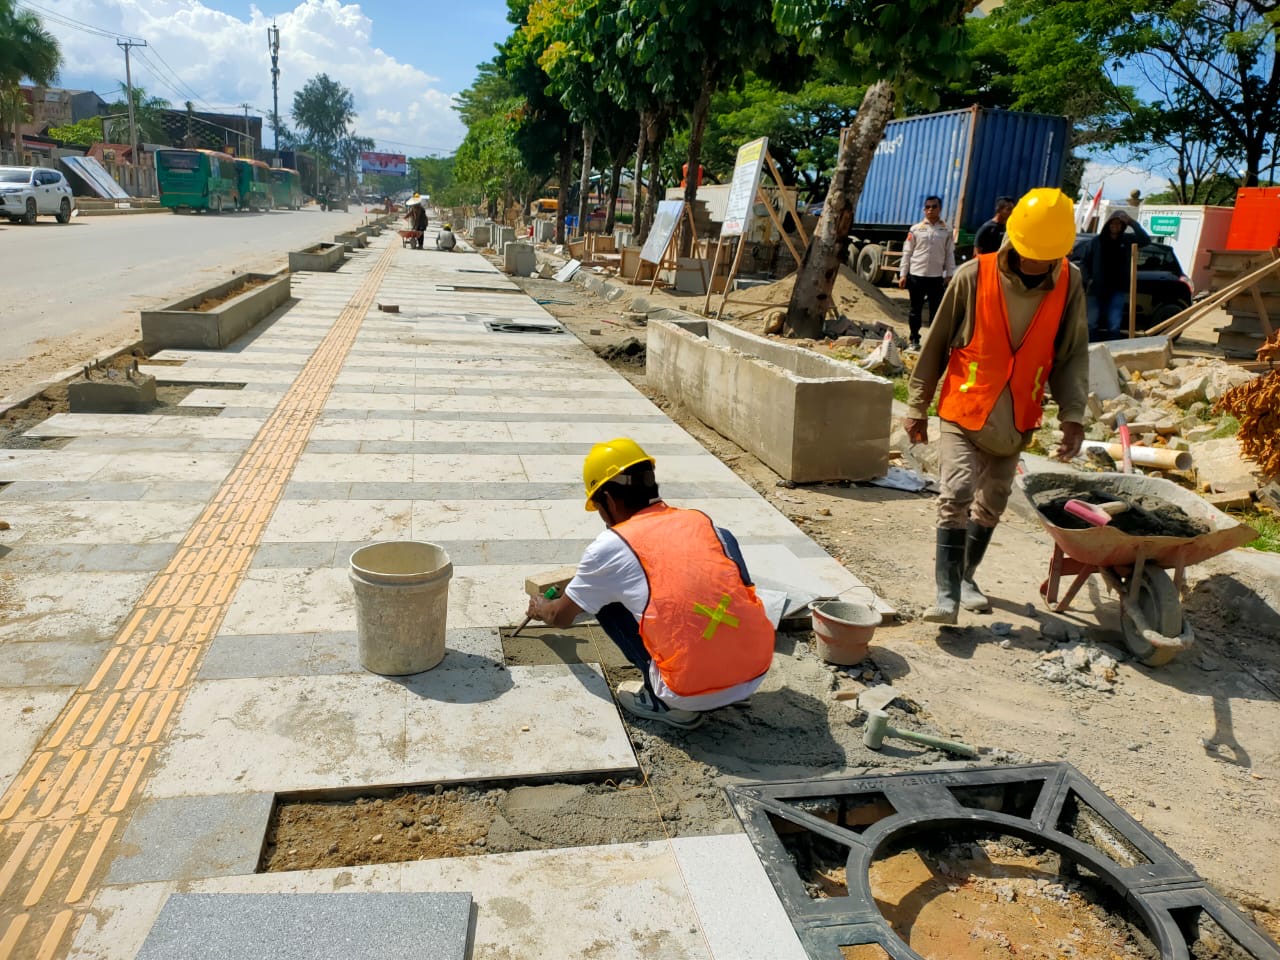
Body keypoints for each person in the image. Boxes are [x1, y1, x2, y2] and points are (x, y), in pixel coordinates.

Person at [904, 188, 1088, 625]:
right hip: (964, 408)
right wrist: (916, 405)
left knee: (994, 501)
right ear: (1012, 238)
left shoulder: (1069, 281)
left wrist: (1073, 414)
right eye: (1028, 253)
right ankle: (946, 594)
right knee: (957, 492)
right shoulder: (973, 275)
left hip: (1016, 415)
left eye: (1046, 257)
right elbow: (934, 345)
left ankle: (966, 577)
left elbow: (1072, 352)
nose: (1035, 264)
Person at [523, 438, 775, 730]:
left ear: (609, 499)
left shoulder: (611, 547)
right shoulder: (705, 524)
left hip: (688, 691)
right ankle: (727, 683)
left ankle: (663, 700)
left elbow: (560, 617)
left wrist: (542, 607)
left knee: (606, 605)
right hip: (754, 671)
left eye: (599, 507)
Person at [1079, 210, 1151, 341]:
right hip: (1095, 289)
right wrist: (1088, 280)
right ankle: (1091, 351)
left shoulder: (1127, 240)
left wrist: (1131, 222)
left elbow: (1145, 240)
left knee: (1114, 325)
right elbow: (1084, 263)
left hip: (1117, 289)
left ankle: (1113, 353)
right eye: (1113, 223)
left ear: (1123, 226)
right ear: (1107, 224)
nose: (1115, 226)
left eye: (1119, 224)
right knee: (1091, 323)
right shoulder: (1096, 242)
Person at [898, 195, 957, 350]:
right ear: (924, 209)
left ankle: (932, 344)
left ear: (940, 209)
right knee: (915, 310)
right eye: (927, 207)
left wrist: (950, 274)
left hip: (936, 277)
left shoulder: (946, 230)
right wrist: (903, 274)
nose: (930, 210)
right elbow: (907, 252)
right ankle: (914, 340)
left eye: (934, 206)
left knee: (936, 311)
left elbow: (949, 254)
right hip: (916, 275)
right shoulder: (916, 229)